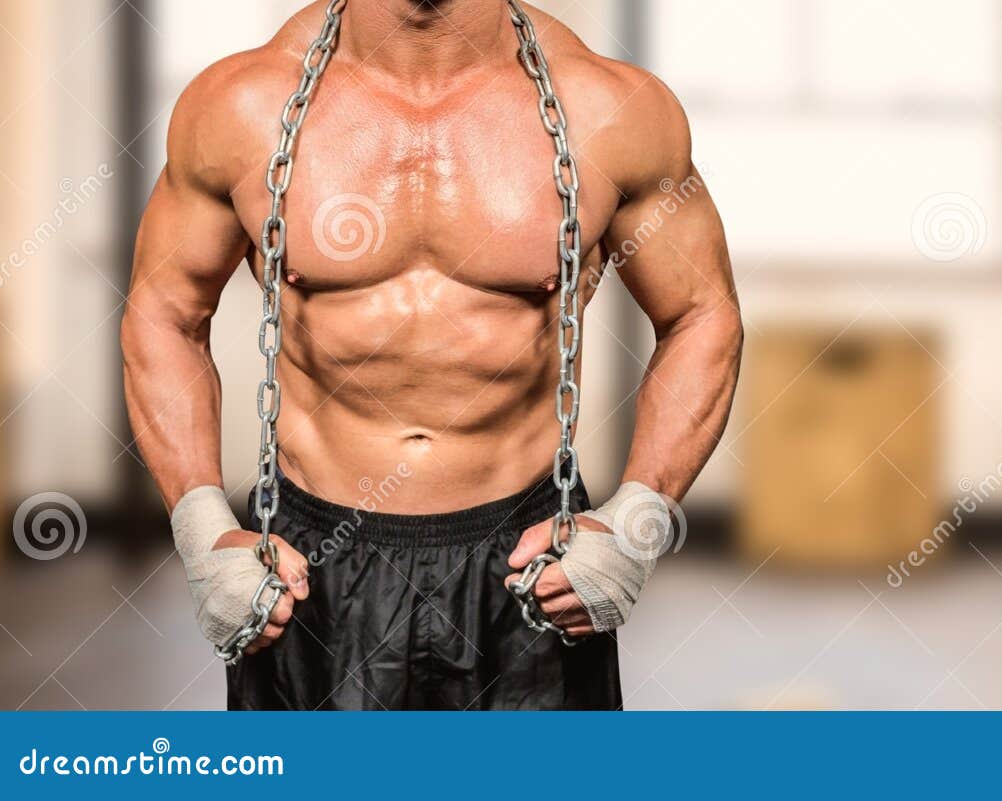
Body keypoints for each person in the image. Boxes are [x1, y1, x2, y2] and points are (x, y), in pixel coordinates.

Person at [120, 0, 742, 709]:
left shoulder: (610, 109)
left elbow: (701, 314)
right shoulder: (242, 106)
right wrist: (201, 528)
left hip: (528, 561)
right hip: (313, 568)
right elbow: (165, 312)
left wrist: (636, 518)